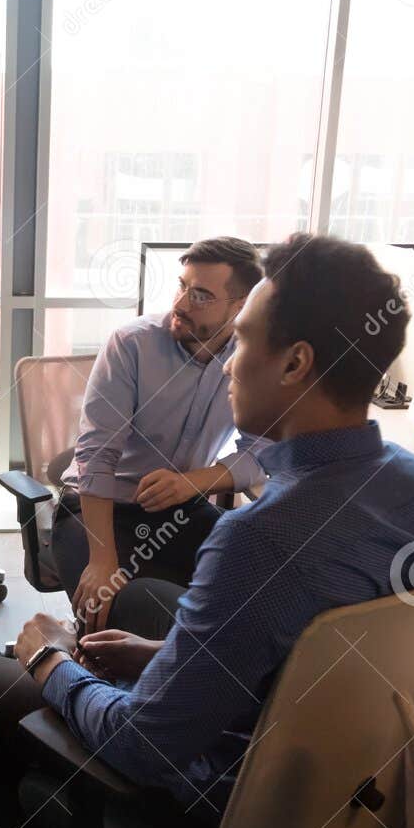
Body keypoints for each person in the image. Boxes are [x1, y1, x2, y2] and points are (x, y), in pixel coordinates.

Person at [0, 233, 414, 828]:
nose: (228, 362)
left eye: (242, 339)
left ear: (295, 364)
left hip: (218, 804)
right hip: (329, 794)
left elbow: (141, 745)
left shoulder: (256, 540)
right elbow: (319, 659)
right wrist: (168, 653)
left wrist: (48, 658)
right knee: (141, 616)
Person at [55, 236, 268, 629]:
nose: (181, 304)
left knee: (258, 589)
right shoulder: (131, 345)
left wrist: (194, 482)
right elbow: (96, 456)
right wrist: (103, 559)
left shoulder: (253, 357)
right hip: (101, 514)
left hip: (181, 510)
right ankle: (87, 682)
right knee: (123, 614)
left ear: (240, 306)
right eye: (182, 286)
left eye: (202, 296)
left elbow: (263, 453)